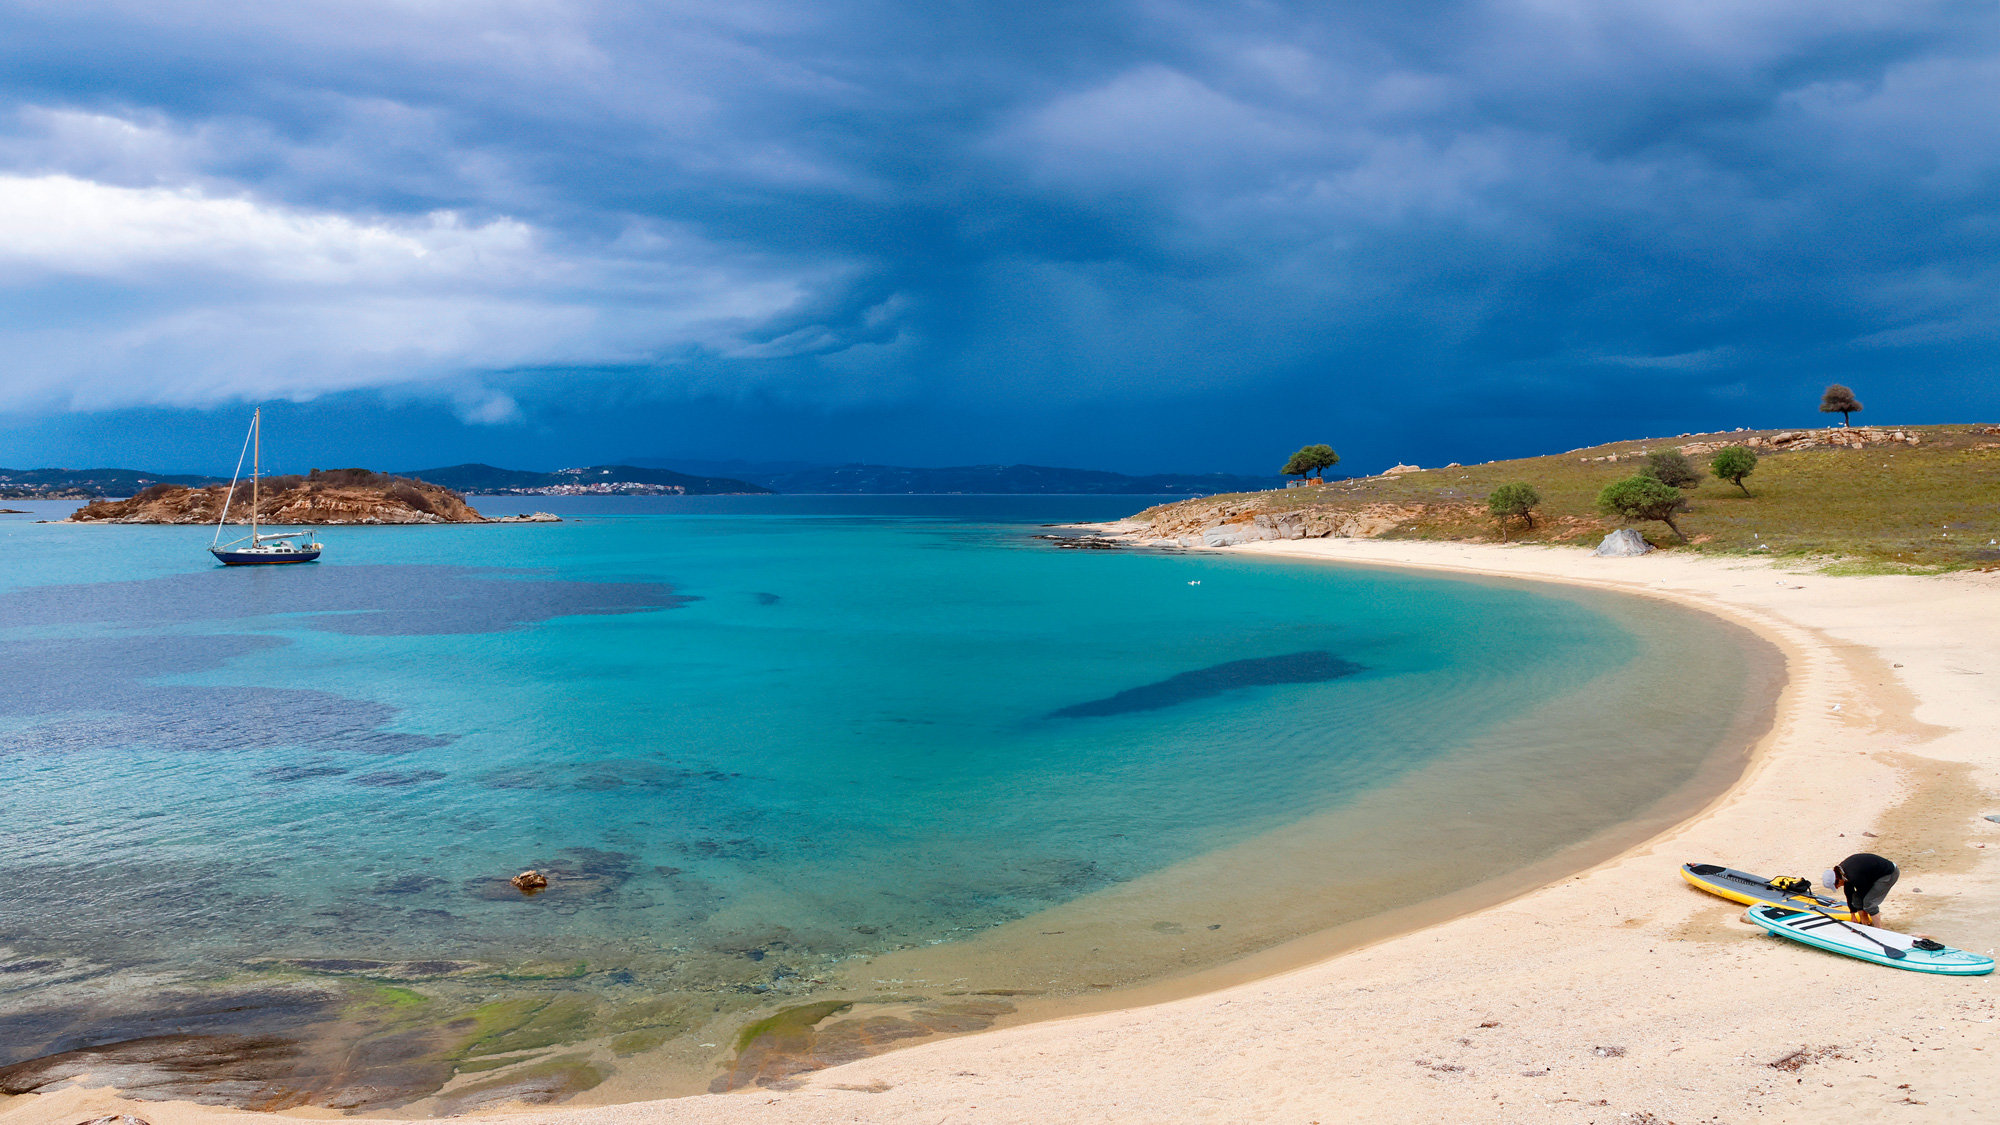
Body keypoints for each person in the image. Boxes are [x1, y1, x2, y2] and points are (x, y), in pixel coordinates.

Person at [1823, 853, 1899, 926]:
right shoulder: (1842, 871)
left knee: (1869, 903)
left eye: (1837, 885)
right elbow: (1848, 892)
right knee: (1857, 900)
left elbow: (1864, 892)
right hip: (1873, 874)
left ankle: (1878, 929)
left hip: (1889, 874)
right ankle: (1866, 922)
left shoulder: (1854, 876)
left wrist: (1864, 915)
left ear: (1837, 879)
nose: (1838, 887)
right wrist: (1853, 915)